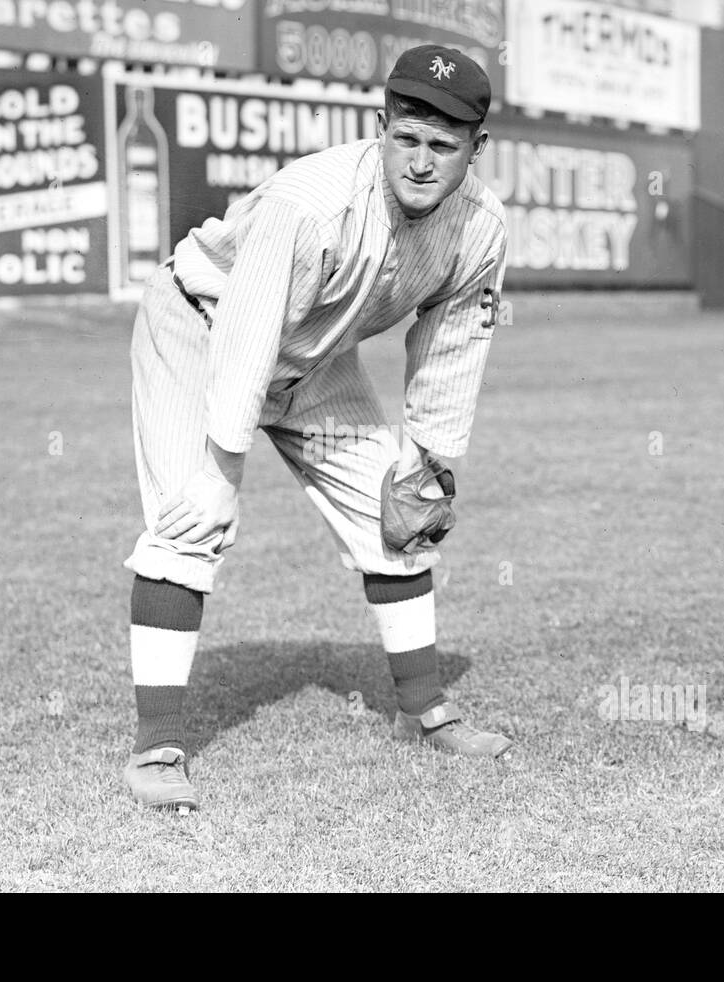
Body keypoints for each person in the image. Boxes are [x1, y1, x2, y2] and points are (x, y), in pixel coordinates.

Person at [122, 44, 512, 810]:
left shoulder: (481, 228)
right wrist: (220, 469)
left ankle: (425, 712)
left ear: (477, 149)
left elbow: (453, 345)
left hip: (314, 355)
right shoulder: (311, 202)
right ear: (380, 127)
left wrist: (429, 462)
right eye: (406, 138)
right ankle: (157, 748)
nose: (422, 162)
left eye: (443, 145)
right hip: (202, 329)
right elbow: (248, 330)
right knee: (189, 519)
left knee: (393, 510)